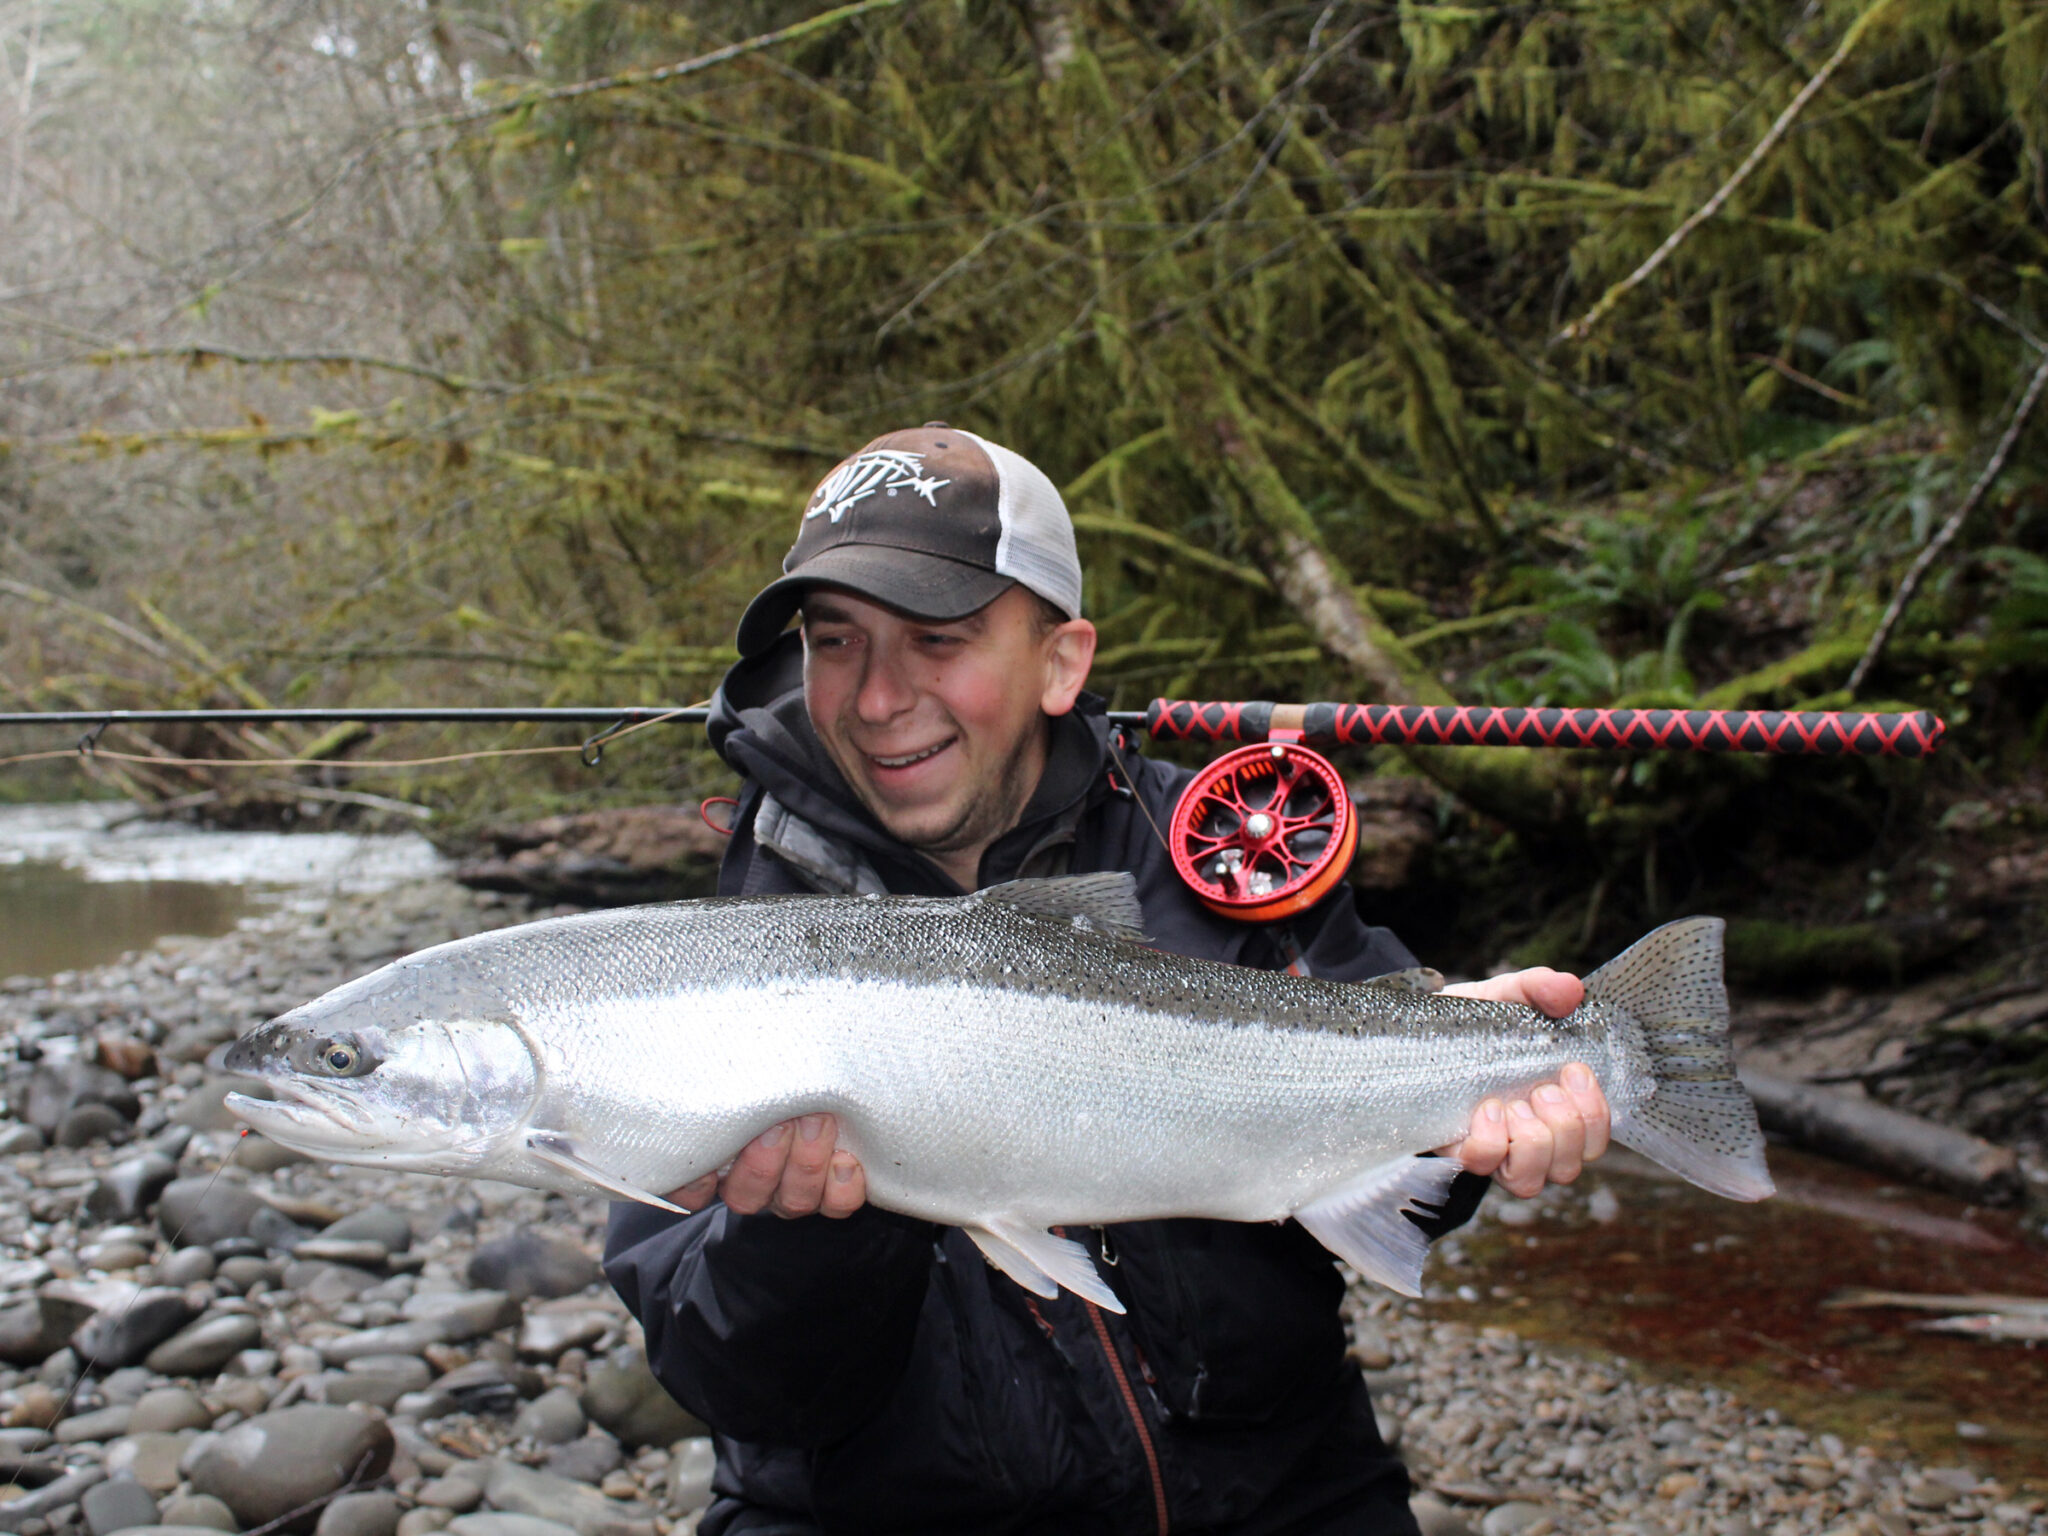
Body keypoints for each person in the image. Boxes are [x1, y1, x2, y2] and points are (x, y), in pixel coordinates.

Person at [604, 426, 1609, 1535]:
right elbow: (738, 1387)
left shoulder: (1218, 848)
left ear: (1061, 661)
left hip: (1282, 1493)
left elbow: (1388, 1193)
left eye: (937, 640)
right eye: (835, 641)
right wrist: (803, 1235)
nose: (877, 698)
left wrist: (1461, 1112)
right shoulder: (722, 964)